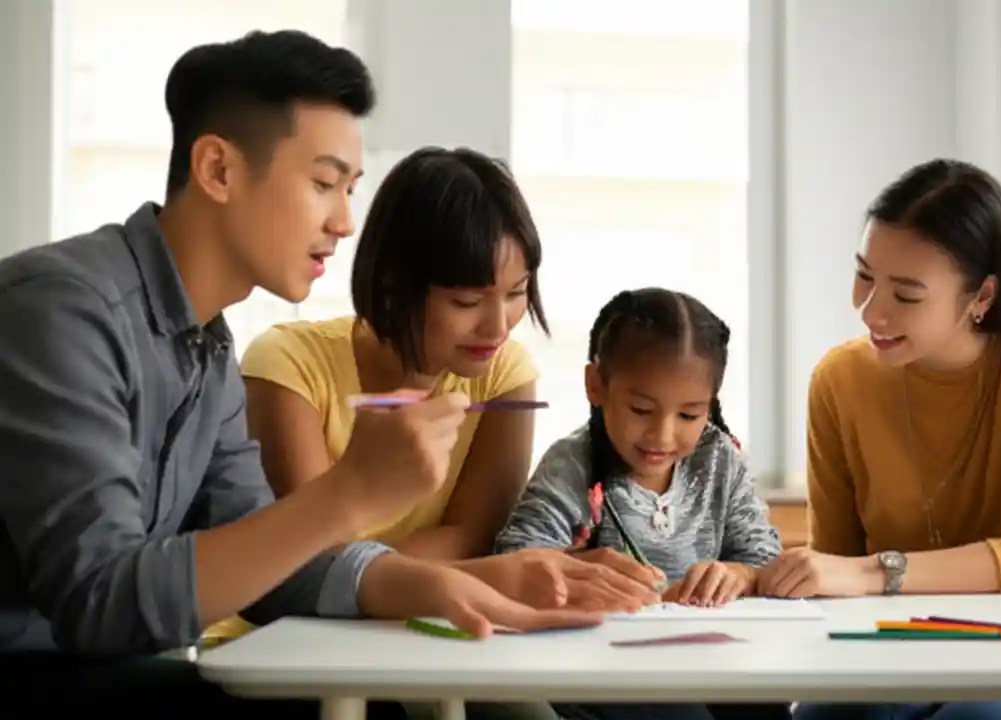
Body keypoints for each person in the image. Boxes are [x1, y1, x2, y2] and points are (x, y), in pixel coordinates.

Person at [0, 30, 599, 719]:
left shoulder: (208, 348)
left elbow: (267, 562)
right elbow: (97, 602)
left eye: (350, 189)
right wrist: (347, 494)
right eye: (322, 183)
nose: (345, 223)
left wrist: (436, 588)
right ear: (219, 170)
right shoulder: (61, 310)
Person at [223, 147, 663, 720]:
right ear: (391, 282)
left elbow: (476, 532)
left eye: (514, 293)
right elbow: (308, 564)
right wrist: (464, 577)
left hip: (435, 627)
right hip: (292, 649)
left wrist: (404, 575)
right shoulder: (286, 366)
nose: (497, 324)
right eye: (465, 301)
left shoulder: (507, 374)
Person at [756, 158, 1001, 720]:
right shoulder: (840, 379)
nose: (871, 310)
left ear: (981, 296)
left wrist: (874, 572)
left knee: (986, 718)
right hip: (904, 646)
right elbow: (836, 564)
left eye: (907, 295)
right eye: (864, 276)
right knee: (822, 717)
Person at [497, 287, 788, 720]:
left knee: (765, 711)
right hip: (605, 668)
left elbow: (765, 557)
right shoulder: (572, 465)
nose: (663, 436)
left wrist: (738, 574)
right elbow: (513, 560)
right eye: (640, 409)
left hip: (711, 659)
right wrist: (583, 570)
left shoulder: (719, 457)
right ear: (595, 385)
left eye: (689, 415)